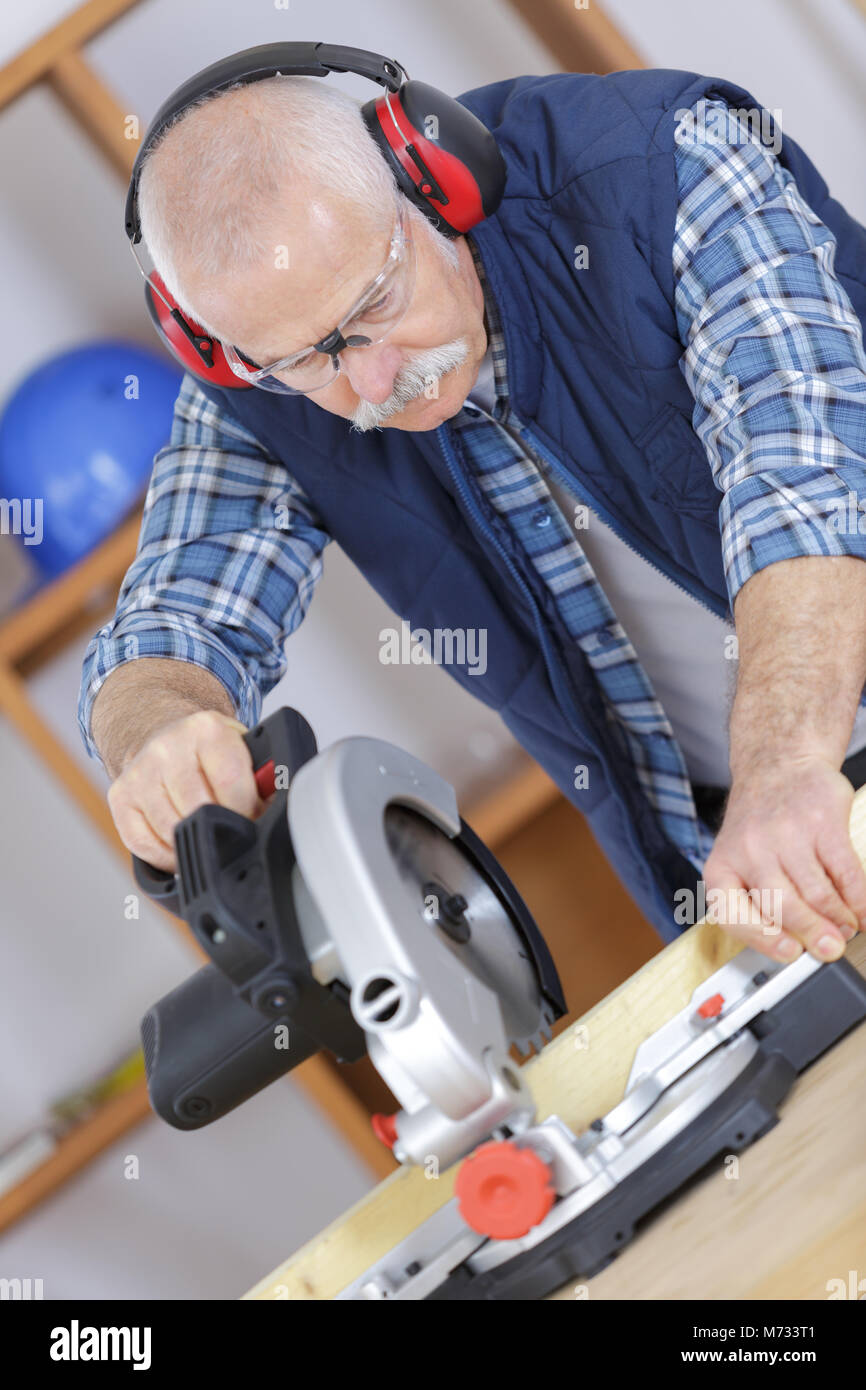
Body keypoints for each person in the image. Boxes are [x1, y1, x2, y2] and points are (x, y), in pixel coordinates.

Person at [79, 64, 866, 965]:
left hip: (788, 777)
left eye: (375, 303)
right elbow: (168, 626)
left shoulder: (660, 161)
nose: (373, 383)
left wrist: (784, 766)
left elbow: (806, 468)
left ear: (430, 179)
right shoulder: (253, 390)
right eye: (308, 360)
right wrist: (160, 731)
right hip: (754, 849)